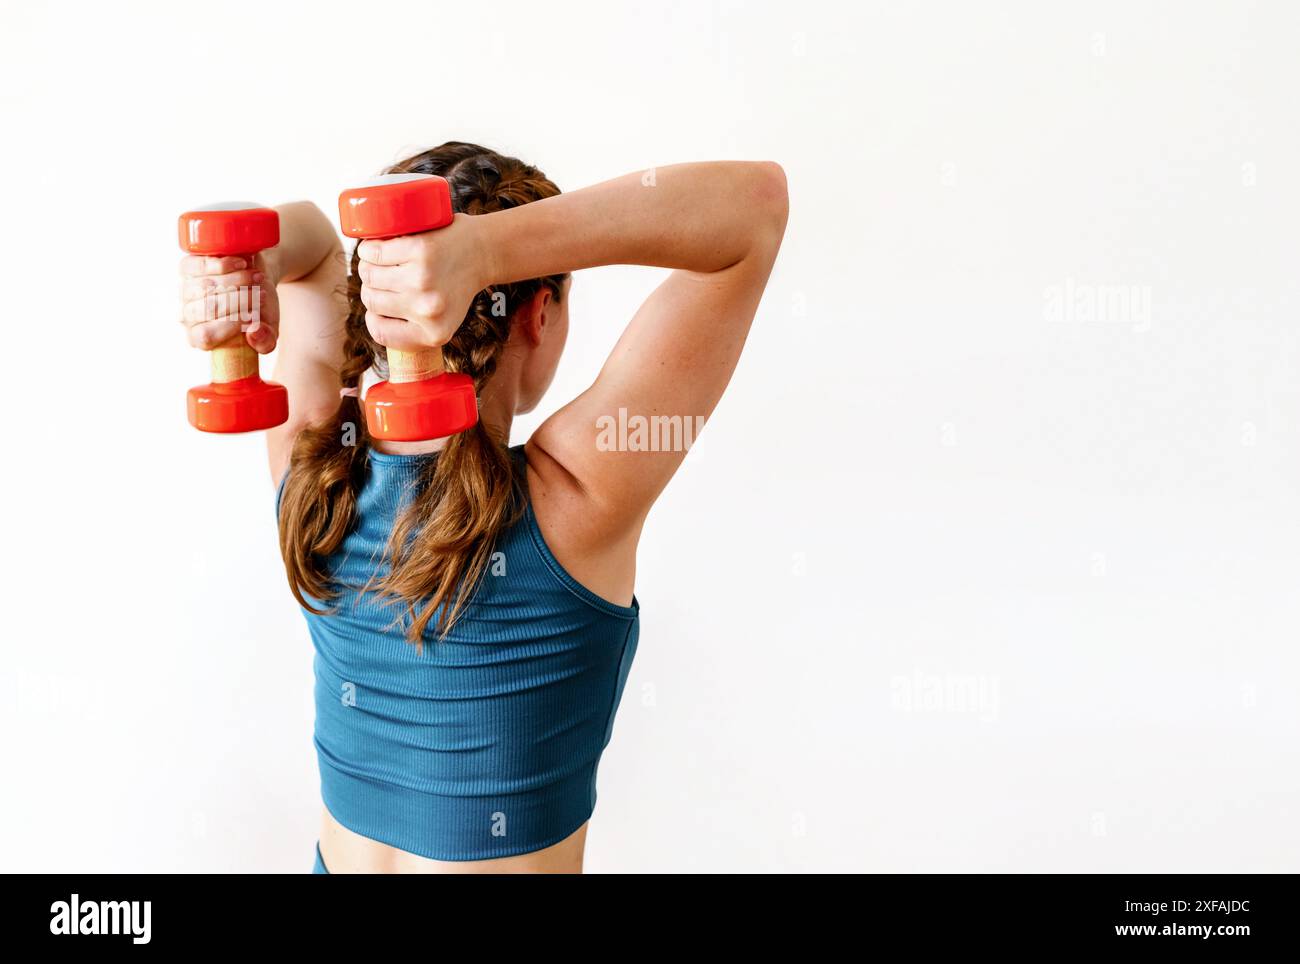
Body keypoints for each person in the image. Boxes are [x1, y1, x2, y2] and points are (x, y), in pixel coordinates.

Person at [178, 142, 788, 873]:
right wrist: (490, 251)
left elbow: (308, 245)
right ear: (540, 313)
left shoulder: (313, 469)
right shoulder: (577, 497)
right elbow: (755, 207)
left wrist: (253, 271)